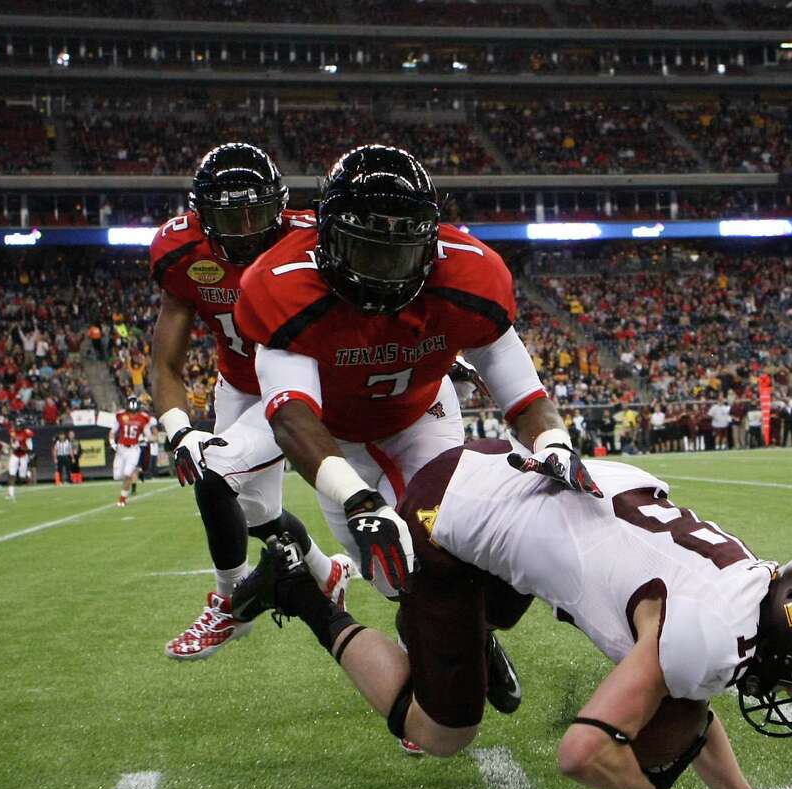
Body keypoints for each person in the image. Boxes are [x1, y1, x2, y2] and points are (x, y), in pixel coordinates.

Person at [223, 440, 792, 789]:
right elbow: (581, 751)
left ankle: (475, 634)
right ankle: (300, 590)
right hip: (448, 520)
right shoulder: (709, 636)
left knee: (540, 627)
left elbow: (694, 704)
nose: (788, 693)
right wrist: (643, 782)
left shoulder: (742, 583)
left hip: (502, 477)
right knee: (443, 729)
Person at [233, 144, 595, 709]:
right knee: (391, 574)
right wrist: (358, 501)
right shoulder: (280, 284)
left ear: (430, 244)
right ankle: (439, 627)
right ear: (326, 238)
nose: (382, 273)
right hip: (338, 441)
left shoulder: (470, 273)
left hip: (420, 415)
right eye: (366, 252)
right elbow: (293, 416)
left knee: (456, 540)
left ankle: (475, 632)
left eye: (398, 255)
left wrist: (554, 444)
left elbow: (524, 393)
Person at [149, 143, 351, 660]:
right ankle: (326, 572)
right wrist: (179, 429)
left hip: (303, 382)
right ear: (200, 215)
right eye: (227, 215)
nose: (243, 227)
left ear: (280, 206)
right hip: (239, 384)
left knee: (214, 474)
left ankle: (230, 602)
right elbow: (165, 364)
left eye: (256, 212)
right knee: (258, 515)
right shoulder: (181, 254)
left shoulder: (315, 237)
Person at [109, 396, 156, 507]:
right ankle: (124, 493)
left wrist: (146, 438)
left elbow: (149, 435)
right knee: (117, 476)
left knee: (128, 474)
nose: (133, 415)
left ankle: (122, 499)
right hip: (121, 449)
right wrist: (112, 443)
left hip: (134, 450)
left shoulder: (143, 418)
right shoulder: (120, 415)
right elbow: (112, 431)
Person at [6, 420, 34, 500]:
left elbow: (29, 449)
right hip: (14, 455)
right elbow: (12, 444)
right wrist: (11, 447)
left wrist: (22, 448)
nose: (17, 428)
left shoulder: (27, 434)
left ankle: (28, 474)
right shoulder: (12, 432)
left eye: (19, 426)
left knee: (22, 477)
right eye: (16, 426)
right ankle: (10, 493)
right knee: (12, 474)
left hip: (23, 456)